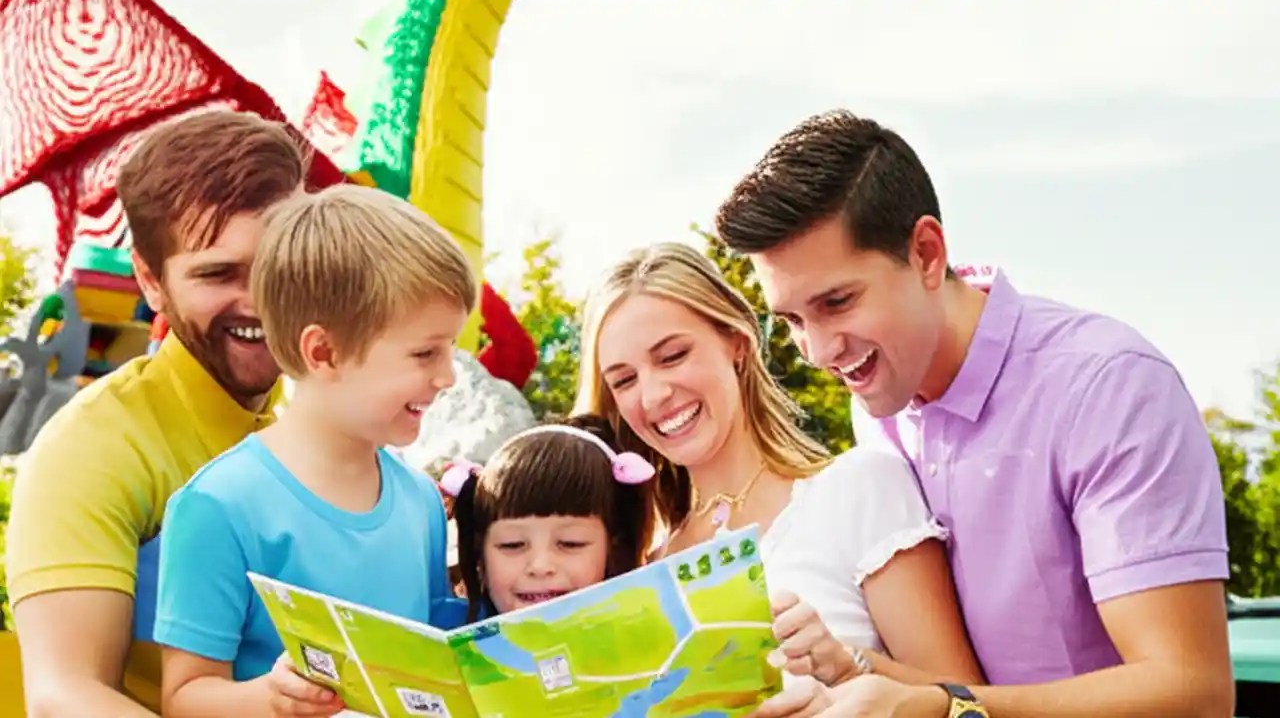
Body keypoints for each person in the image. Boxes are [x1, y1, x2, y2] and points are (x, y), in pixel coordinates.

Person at [714, 109, 1234, 717]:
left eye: (838, 301)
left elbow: (1193, 695)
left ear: (928, 253)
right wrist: (850, 664)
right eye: (794, 321)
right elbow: (947, 680)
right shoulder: (882, 409)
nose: (820, 351)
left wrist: (945, 710)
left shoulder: (1107, 388)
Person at [5, 111, 308, 717]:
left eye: (278, 261)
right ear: (151, 280)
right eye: (217, 273)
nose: (260, 300)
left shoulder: (316, 420)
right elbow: (65, 695)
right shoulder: (94, 447)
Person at [574, 242, 985, 689]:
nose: (653, 396)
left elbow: (966, 703)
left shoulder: (858, 491)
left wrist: (851, 664)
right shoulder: (639, 564)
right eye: (625, 380)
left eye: (672, 356)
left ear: (737, 344)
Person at [153, 184, 475, 715]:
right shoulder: (218, 507)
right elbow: (184, 697)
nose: (447, 376)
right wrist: (272, 699)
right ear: (323, 352)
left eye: (451, 349)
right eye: (424, 353)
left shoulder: (420, 501)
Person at [441, 414, 657, 621]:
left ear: (613, 548)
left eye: (570, 543)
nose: (540, 566)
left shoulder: (663, 643)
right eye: (513, 545)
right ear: (481, 558)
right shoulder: (442, 650)